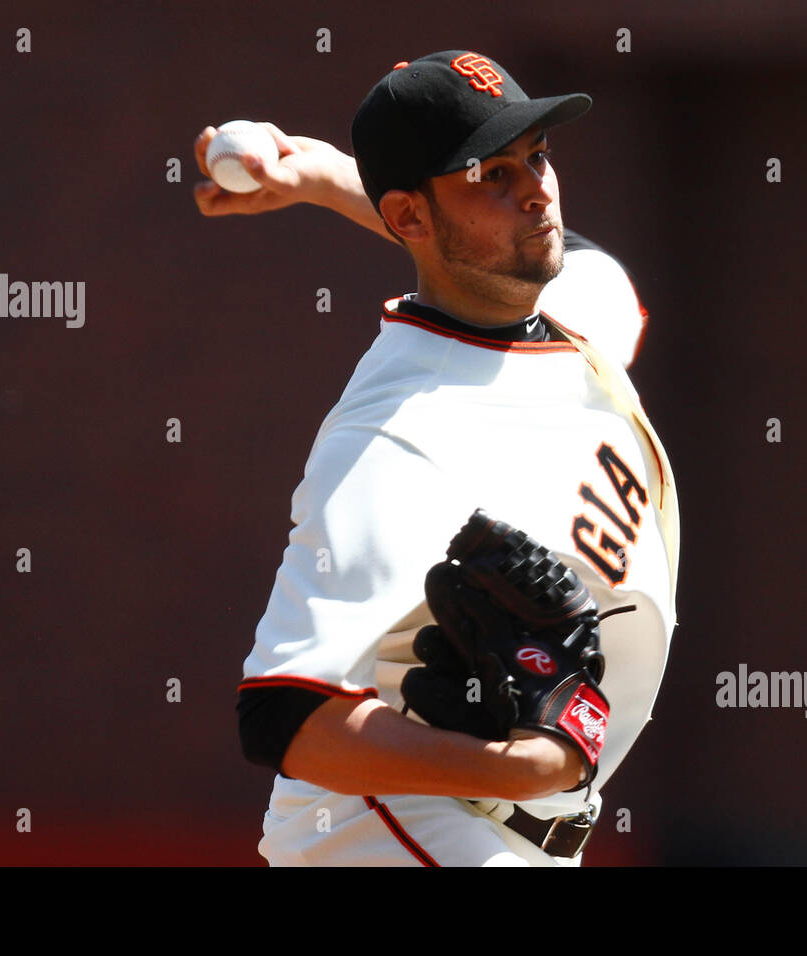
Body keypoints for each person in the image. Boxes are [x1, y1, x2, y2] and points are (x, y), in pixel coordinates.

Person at [196, 50, 680, 866]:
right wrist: (521, 768)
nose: (536, 191)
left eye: (536, 156)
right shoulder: (395, 431)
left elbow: (582, 262)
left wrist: (327, 177)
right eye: (491, 174)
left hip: (506, 833)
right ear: (410, 217)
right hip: (389, 829)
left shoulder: (573, 320)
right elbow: (281, 714)